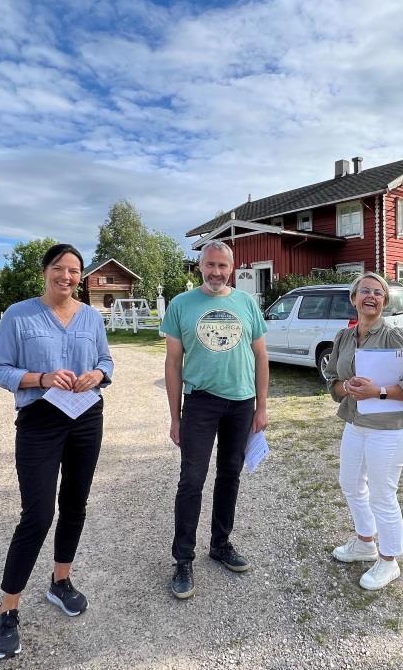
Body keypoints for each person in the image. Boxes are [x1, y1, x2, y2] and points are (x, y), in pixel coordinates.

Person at [0, 243, 114, 659]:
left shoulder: (91, 317)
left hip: (86, 417)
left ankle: (61, 581)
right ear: (45, 272)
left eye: (75, 271)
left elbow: (106, 361)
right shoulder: (18, 315)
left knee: (75, 503)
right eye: (59, 268)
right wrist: (39, 378)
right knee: (37, 515)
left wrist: (97, 373)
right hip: (40, 423)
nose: (67, 276)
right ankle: (7, 610)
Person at [161, 240, 269, 599]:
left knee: (230, 475)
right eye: (210, 265)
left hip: (241, 402)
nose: (216, 272)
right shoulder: (181, 305)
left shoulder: (246, 303)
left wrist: (262, 406)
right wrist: (175, 416)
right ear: (200, 266)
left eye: (223, 266)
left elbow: (261, 356)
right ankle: (183, 558)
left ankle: (220, 544)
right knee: (191, 479)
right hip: (200, 403)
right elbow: (173, 363)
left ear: (232, 267)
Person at [321, 272, 403, 590]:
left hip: (390, 429)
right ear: (353, 299)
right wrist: (345, 385)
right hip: (356, 423)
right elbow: (332, 380)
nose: (371, 296)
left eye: (378, 293)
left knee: (383, 493)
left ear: (384, 301)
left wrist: (377, 391)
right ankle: (365, 542)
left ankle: (388, 560)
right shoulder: (343, 337)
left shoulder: (397, 337)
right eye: (364, 291)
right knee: (351, 483)